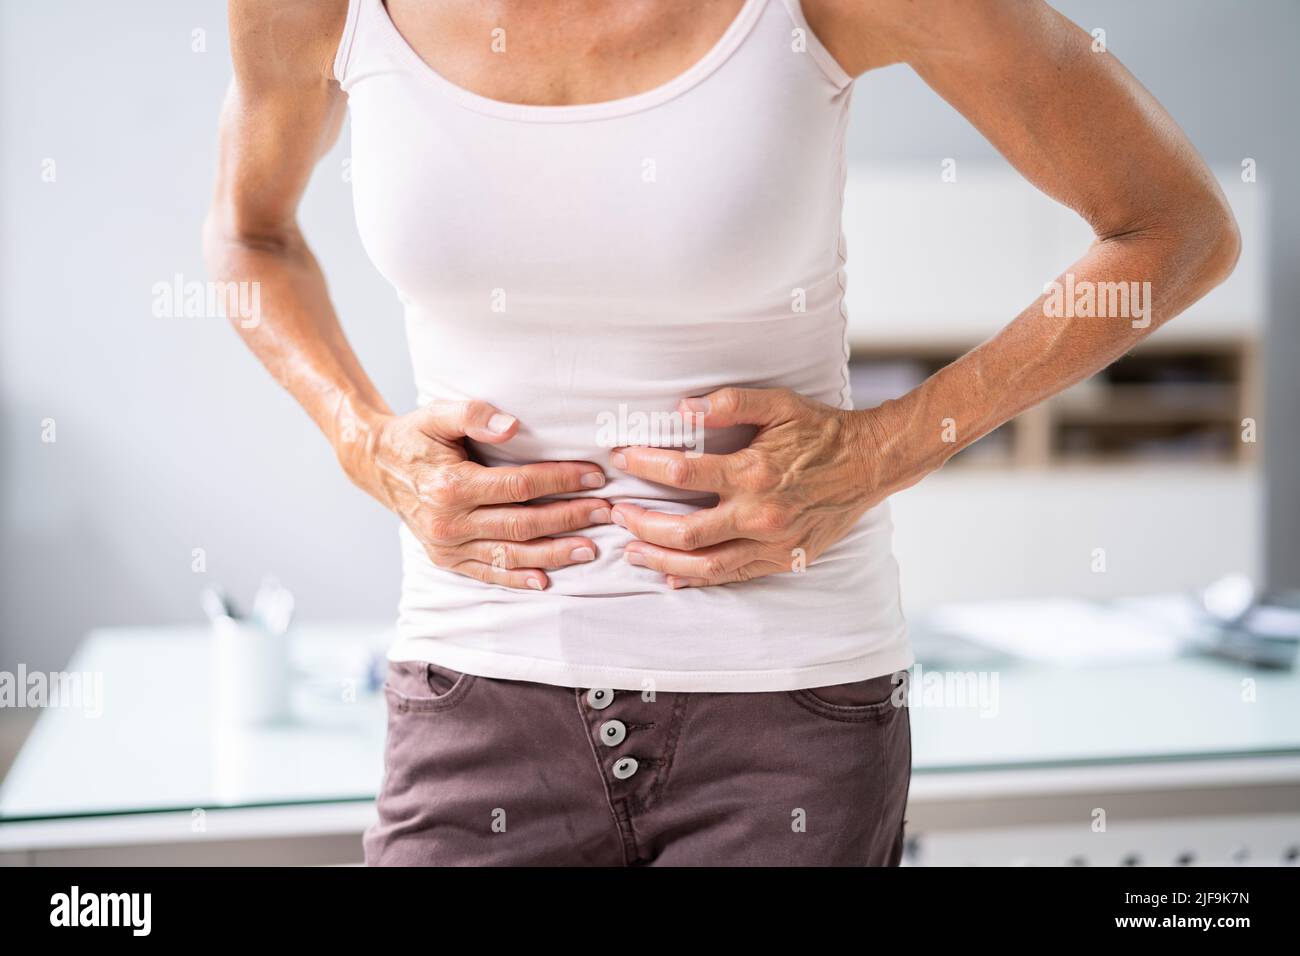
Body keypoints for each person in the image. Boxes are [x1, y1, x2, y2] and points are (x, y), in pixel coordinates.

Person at [205, 0, 1240, 865]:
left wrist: (885, 449)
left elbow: (1175, 223)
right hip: (476, 687)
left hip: (785, 717)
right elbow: (248, 237)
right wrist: (362, 440)